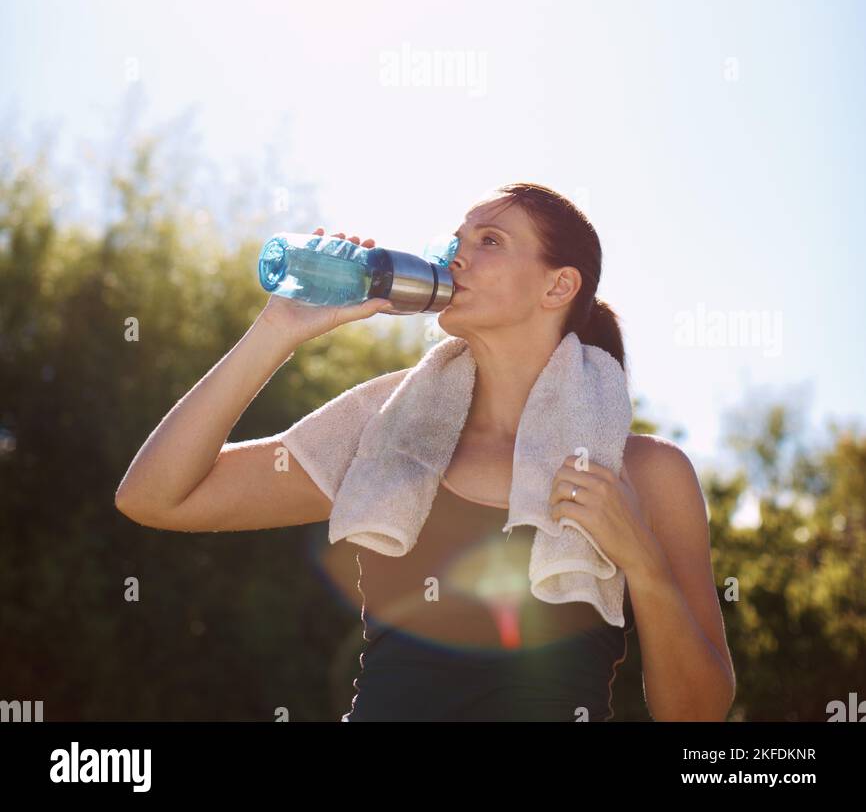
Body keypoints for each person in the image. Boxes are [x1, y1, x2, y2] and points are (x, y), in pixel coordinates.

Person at [115, 181, 736, 722]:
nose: (456, 254)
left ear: (558, 286)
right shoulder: (387, 427)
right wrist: (276, 330)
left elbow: (698, 711)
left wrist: (643, 563)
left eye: (490, 240)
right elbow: (154, 497)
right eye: (457, 239)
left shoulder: (645, 473)